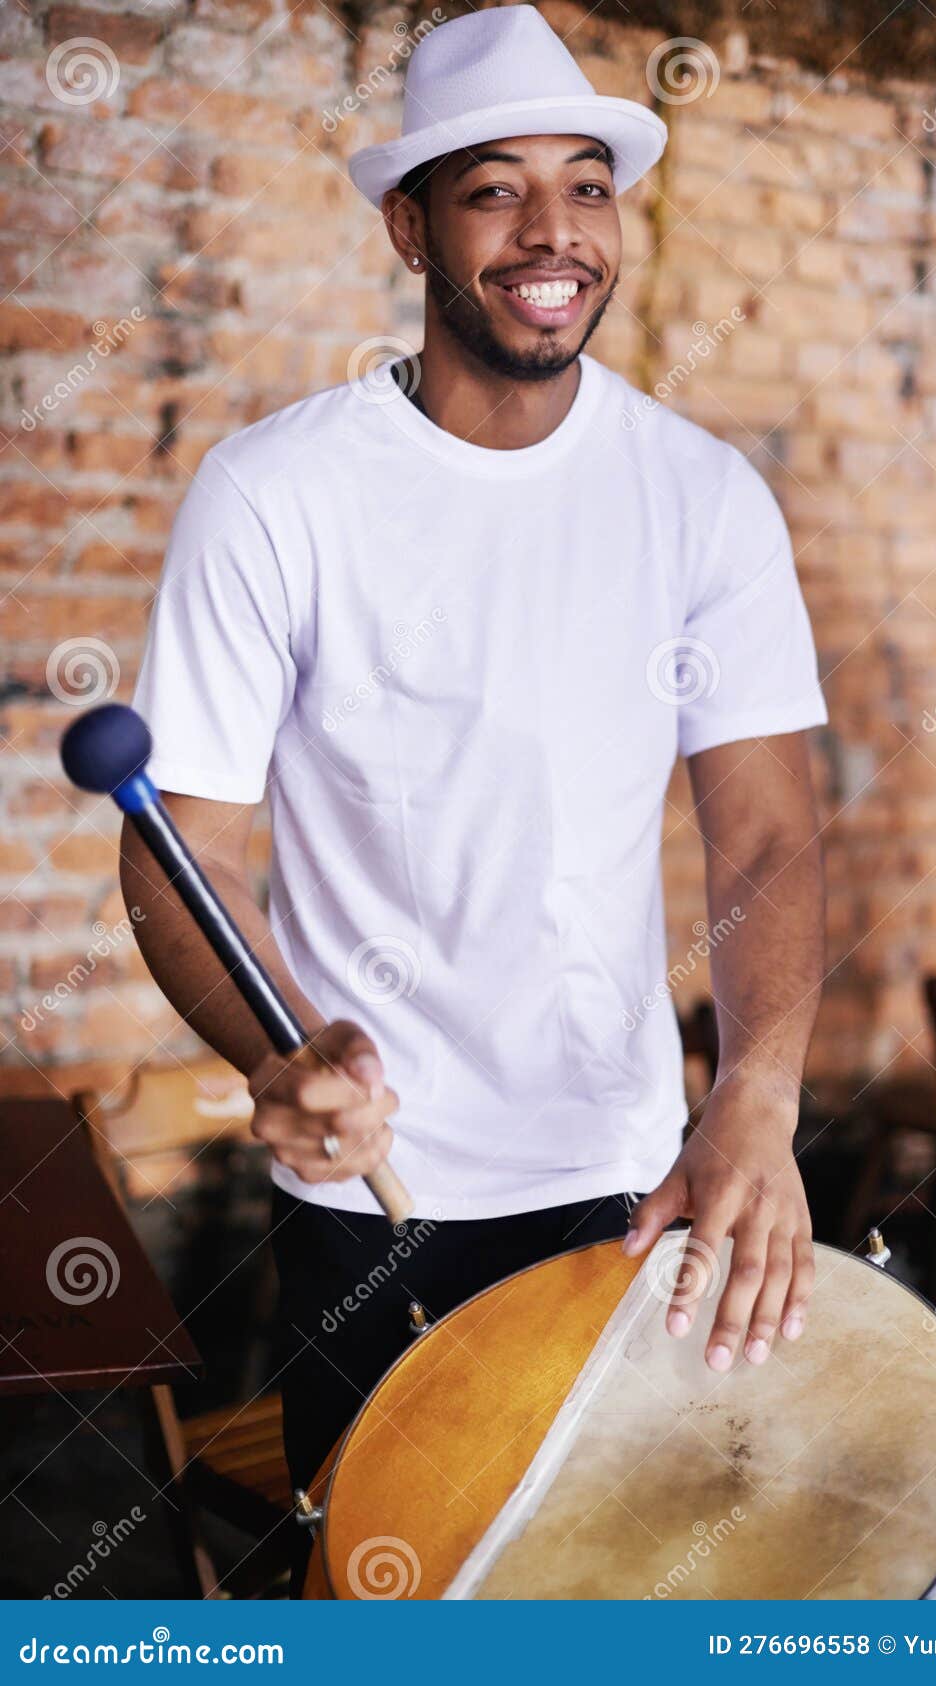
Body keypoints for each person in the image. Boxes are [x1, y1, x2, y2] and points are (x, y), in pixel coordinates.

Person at [121, 4, 827, 1566]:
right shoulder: (274, 494)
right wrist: (278, 1048)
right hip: (376, 1202)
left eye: (587, 186)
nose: (551, 230)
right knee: (406, 1604)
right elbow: (183, 848)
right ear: (410, 225)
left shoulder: (703, 498)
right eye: (495, 189)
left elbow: (770, 832)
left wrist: (757, 1094)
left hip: (632, 1188)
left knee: (635, 1606)